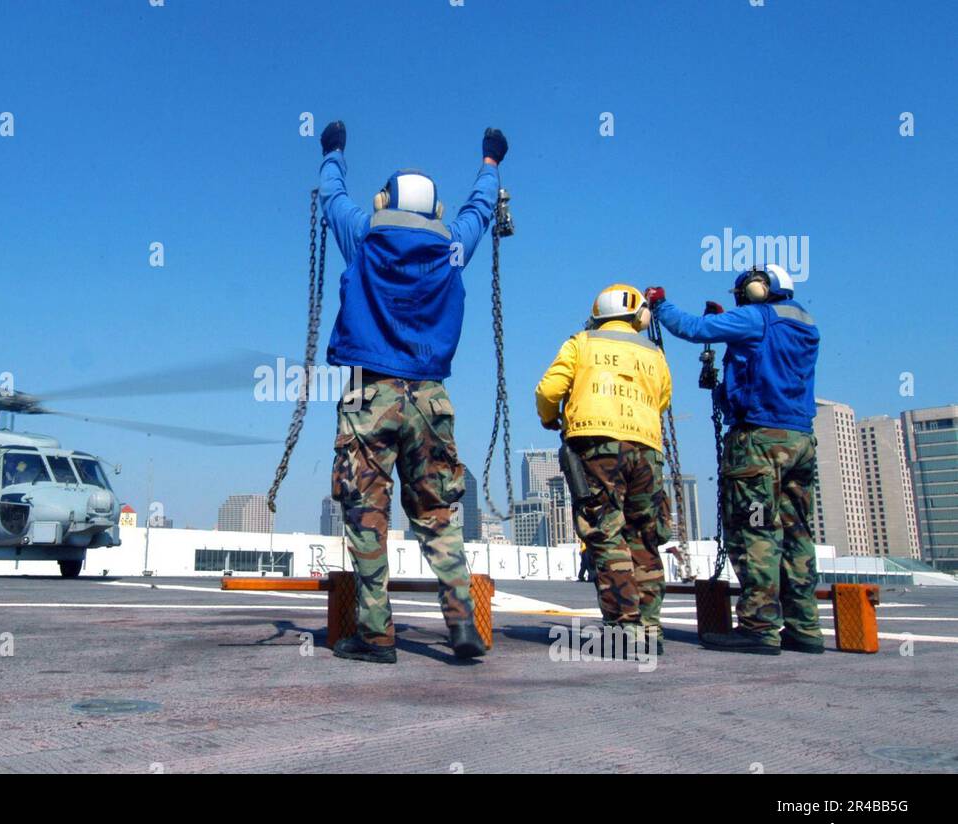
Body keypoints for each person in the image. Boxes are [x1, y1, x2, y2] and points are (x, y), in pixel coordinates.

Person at [319, 119, 506, 663]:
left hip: (364, 388)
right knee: (437, 514)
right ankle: (462, 625)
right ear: (436, 212)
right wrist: (490, 162)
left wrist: (333, 151)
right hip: (430, 394)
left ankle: (376, 634)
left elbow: (332, 195)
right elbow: (481, 209)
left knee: (366, 513)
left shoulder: (364, 236)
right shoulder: (452, 247)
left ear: (384, 201)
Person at [647, 266, 823, 655]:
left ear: (761, 290)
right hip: (800, 441)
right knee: (796, 532)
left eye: (745, 291)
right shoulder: (805, 324)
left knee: (756, 529)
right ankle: (804, 627)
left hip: (759, 443)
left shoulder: (756, 317)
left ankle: (759, 627)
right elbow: (763, 359)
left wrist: (660, 304)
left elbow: (691, 329)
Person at [536, 285, 673, 653]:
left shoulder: (581, 342)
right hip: (646, 449)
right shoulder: (653, 352)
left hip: (596, 447)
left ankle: (623, 628)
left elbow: (549, 391)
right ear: (639, 316)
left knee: (606, 532)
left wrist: (551, 419)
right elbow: (663, 399)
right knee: (644, 535)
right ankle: (650, 628)